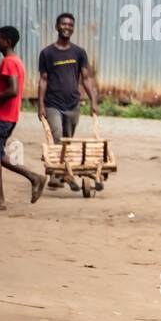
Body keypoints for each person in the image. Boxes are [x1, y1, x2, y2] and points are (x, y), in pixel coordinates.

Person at [0, 27, 45, 210]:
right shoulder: (15, 61)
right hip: (8, 117)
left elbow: (12, 90)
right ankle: (34, 177)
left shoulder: (9, 62)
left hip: (2, 117)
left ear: (7, 41)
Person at [37, 12, 98, 189]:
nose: (67, 27)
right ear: (57, 27)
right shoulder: (47, 53)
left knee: (67, 140)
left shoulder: (79, 52)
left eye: (70, 25)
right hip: (52, 104)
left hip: (73, 104)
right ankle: (60, 176)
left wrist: (93, 100)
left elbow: (86, 78)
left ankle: (60, 172)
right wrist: (40, 104)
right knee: (56, 137)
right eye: (64, 24)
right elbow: (43, 79)